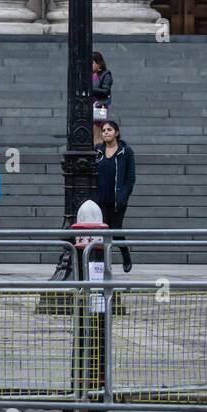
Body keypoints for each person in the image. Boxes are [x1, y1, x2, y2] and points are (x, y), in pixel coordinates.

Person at [95, 119, 135, 272]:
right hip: (101, 199)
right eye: (104, 130)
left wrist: (124, 196)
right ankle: (105, 265)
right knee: (103, 233)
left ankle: (125, 255)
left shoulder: (126, 151)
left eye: (109, 130)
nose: (106, 132)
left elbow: (131, 178)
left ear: (116, 133)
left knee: (116, 231)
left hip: (117, 200)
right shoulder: (97, 150)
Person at [92, 51, 113, 145]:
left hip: (100, 106)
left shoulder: (106, 74)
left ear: (99, 63)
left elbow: (105, 91)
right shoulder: (89, 74)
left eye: (92, 63)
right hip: (89, 107)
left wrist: (91, 90)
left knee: (97, 133)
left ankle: (99, 154)